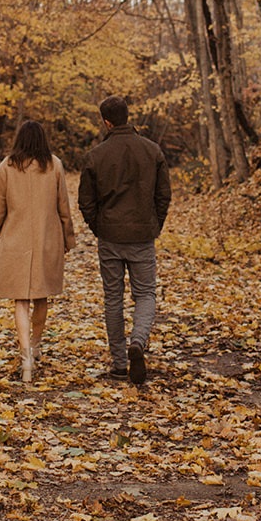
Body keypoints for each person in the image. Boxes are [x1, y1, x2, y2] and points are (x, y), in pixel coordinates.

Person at [77, 95, 171, 385]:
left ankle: (119, 365)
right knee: (145, 294)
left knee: (113, 299)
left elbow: (86, 202)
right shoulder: (153, 151)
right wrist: (154, 224)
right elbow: (163, 195)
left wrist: (99, 227)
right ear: (127, 117)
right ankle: (138, 342)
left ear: (106, 121)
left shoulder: (95, 156)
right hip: (142, 236)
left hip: (110, 237)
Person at [0, 121, 76, 383]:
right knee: (41, 297)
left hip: (15, 240)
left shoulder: (7, 166)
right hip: (46, 240)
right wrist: (68, 238)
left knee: (20, 300)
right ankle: (36, 346)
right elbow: (64, 207)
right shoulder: (54, 165)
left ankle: (26, 357)